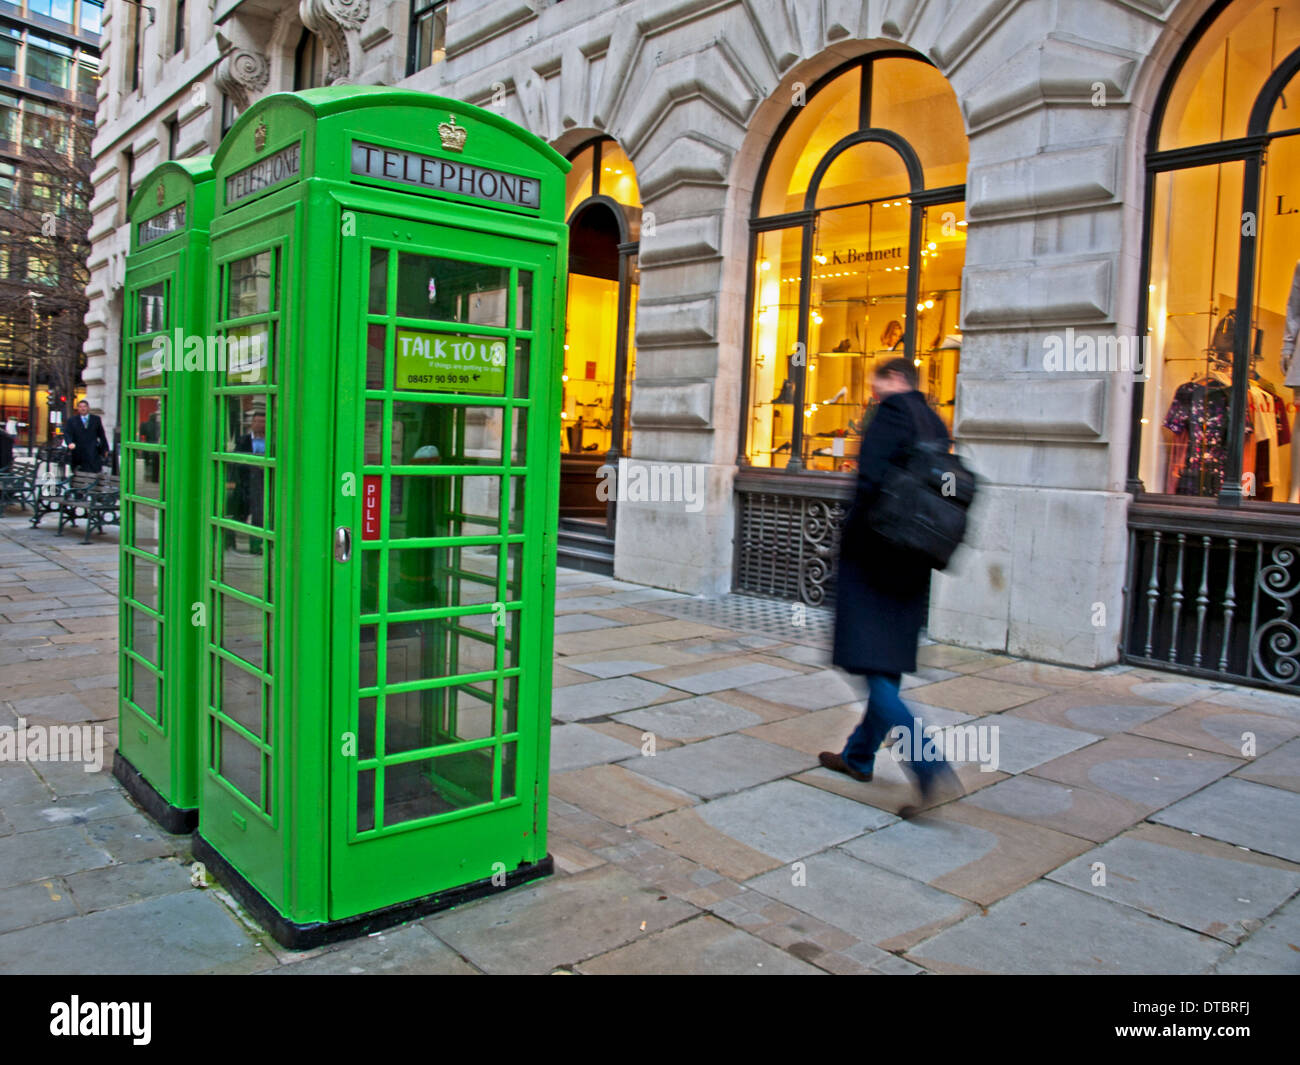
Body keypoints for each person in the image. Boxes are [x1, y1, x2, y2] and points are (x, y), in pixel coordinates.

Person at [819, 357, 961, 815]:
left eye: (877, 382)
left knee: (867, 662)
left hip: (874, 557)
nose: (874, 391)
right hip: (913, 558)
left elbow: (870, 485)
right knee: (887, 660)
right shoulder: (935, 421)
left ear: (896, 379)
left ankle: (927, 764)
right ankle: (858, 756)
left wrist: (849, 548)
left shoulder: (890, 415)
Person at [233, 410, 267, 554]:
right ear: (252, 423)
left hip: (263, 484)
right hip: (245, 483)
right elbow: (235, 461)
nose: (260, 424)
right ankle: (230, 542)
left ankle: (256, 546)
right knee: (239, 514)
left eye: (263, 421)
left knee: (259, 517)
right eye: (257, 421)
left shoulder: (271, 440)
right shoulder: (243, 440)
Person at [64, 400, 109, 473]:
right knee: (78, 473)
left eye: (84, 406)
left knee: (93, 471)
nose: (83, 408)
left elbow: (102, 435)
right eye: (80, 407)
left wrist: (105, 449)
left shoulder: (96, 419)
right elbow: (67, 433)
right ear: (78, 409)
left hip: (92, 451)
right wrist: (69, 443)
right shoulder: (72, 420)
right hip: (78, 452)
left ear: (88, 408)